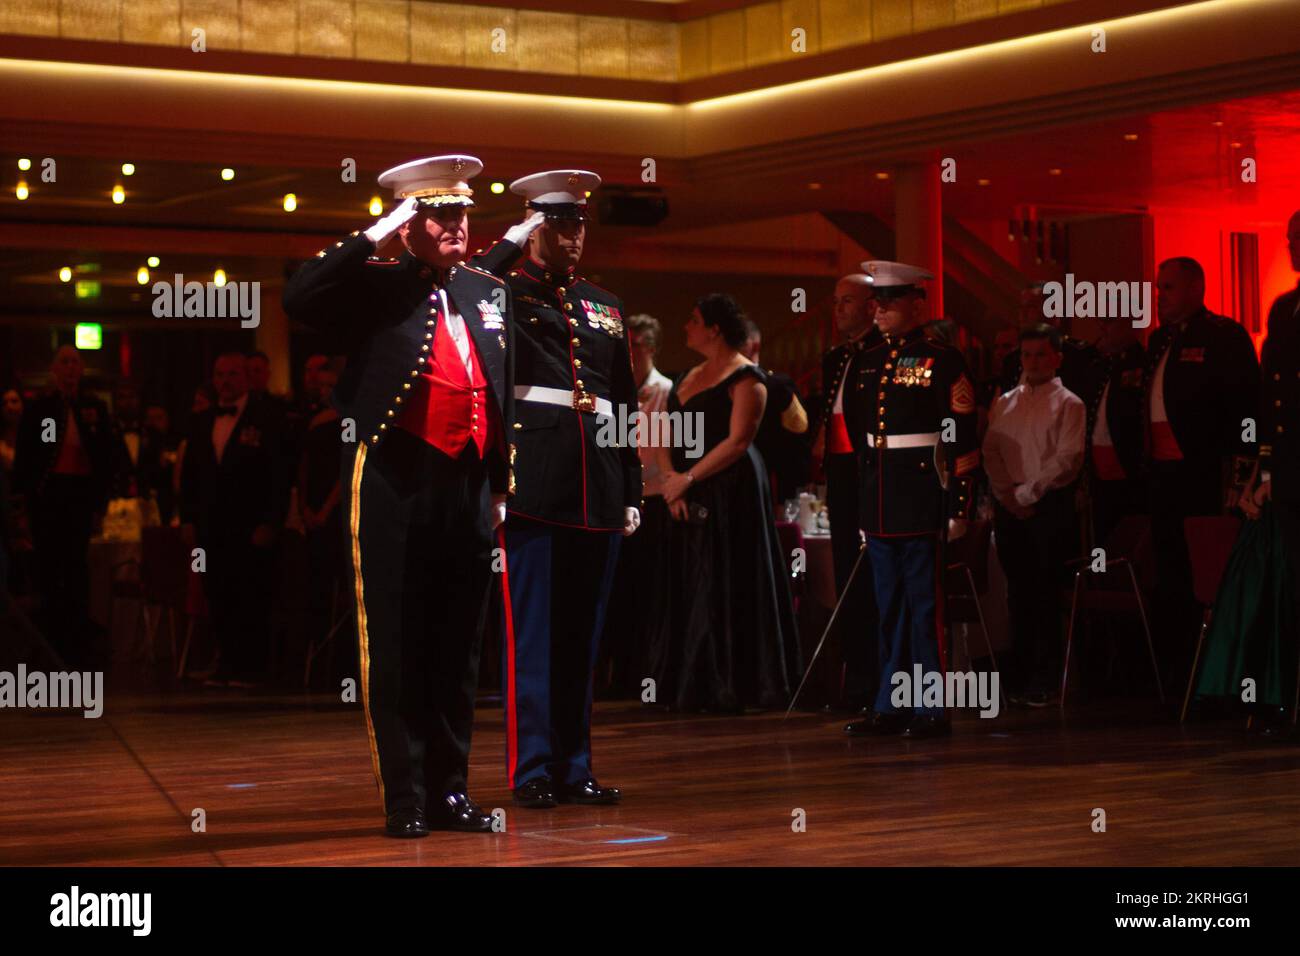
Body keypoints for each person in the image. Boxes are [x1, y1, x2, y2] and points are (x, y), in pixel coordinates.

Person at [282, 155, 511, 837]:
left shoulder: (484, 288)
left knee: (459, 644)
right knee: (395, 640)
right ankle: (406, 797)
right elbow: (300, 297)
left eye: (461, 211)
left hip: (468, 479)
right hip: (394, 471)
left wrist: (501, 481)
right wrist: (374, 235)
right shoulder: (377, 284)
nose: (455, 224)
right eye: (437, 214)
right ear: (408, 223)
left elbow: (501, 383)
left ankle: (450, 793)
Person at [473, 169, 640, 809]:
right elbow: (466, 286)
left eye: (578, 226)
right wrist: (510, 243)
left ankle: (576, 766)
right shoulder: (503, 290)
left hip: (598, 482)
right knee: (533, 637)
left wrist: (630, 487)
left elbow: (621, 399)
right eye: (558, 226)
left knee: (581, 638)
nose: (572, 238)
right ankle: (533, 769)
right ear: (534, 226)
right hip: (535, 479)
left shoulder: (605, 304)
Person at [841, 261, 979, 739]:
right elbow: (862, 439)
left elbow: (960, 434)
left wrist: (959, 504)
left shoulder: (942, 359)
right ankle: (891, 703)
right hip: (881, 497)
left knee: (924, 608)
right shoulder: (867, 359)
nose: (880, 310)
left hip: (922, 495)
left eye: (891, 301)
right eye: (876, 302)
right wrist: (863, 505)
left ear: (918, 304)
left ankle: (931, 706)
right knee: (889, 606)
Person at [654, 293, 801, 712]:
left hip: (729, 487)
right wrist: (670, 481)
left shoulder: (748, 378)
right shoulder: (687, 376)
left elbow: (738, 442)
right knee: (691, 579)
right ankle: (691, 680)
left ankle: (730, 683)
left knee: (724, 577)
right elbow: (666, 432)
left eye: (694, 320)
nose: (686, 327)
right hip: (685, 485)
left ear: (714, 329)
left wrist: (687, 479)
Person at [1145, 256, 1259, 687]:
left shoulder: (1223, 336)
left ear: (1196, 288)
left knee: (1208, 574)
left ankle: (1218, 674)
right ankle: (1176, 672)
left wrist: (1240, 476)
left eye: (1169, 287)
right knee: (1170, 574)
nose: (1160, 296)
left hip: (1205, 474)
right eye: (1158, 288)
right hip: (1163, 478)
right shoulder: (1158, 341)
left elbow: (1247, 409)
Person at [983, 325, 1086, 706]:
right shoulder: (1005, 402)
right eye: (1027, 355)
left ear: (1057, 357)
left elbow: (1068, 459)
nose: (1033, 362)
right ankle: (1019, 674)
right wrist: (1006, 496)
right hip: (1010, 506)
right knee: (1017, 592)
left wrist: (1027, 494)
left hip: (1049, 506)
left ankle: (1046, 678)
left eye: (1041, 354)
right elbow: (991, 450)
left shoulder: (1070, 403)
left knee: (1045, 592)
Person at [179, 352, 287, 688]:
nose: (225, 381)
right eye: (220, 375)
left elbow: (279, 475)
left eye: (232, 374)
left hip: (250, 524)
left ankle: (252, 668)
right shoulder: (201, 421)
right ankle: (226, 663)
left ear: (246, 378)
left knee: (251, 595)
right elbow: (190, 475)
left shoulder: (267, 418)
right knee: (217, 593)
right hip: (211, 525)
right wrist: (187, 518)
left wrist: (271, 521)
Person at [13, 346, 118, 666]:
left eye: (75, 362)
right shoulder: (40, 408)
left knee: (76, 569)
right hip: (49, 495)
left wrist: (100, 502)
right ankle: (49, 643)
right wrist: (24, 504)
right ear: (54, 370)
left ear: (82, 370)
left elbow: (106, 457)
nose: (71, 368)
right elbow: (27, 457)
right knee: (48, 568)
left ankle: (77, 642)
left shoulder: (94, 407)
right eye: (65, 362)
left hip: (80, 495)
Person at [1237, 208, 1300, 733]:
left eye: (1299, 238)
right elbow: (1270, 398)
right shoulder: (1283, 308)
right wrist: (1261, 473)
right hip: (1290, 473)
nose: (1292, 247)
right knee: (1291, 586)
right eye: (1290, 238)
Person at [816, 273, 882, 711]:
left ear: (872, 306)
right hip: (841, 478)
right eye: (836, 301)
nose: (838, 309)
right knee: (847, 581)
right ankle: (856, 682)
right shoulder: (836, 357)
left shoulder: (882, 354)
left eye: (847, 301)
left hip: (871, 477)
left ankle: (876, 684)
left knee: (872, 582)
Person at [598, 313, 672, 698]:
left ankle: (637, 676)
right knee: (615, 592)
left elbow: (661, 450)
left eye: (637, 344)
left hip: (652, 499)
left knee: (643, 593)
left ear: (652, 348)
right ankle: (609, 675)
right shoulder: (613, 387)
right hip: (617, 499)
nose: (629, 351)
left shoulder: (665, 390)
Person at [1085, 315, 1148, 545]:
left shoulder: (1145, 364)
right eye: (1100, 321)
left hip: (1132, 477)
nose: (1102, 326)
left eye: (1109, 320)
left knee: (1130, 544)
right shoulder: (1098, 366)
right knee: (1101, 543)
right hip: (1098, 477)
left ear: (1131, 323)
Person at [741, 320, 810, 502]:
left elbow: (796, 444)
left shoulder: (777, 387)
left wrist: (785, 496)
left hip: (766, 483)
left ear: (754, 345)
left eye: (738, 342)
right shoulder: (716, 388)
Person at [999, 282, 1099, 400]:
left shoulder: (1077, 357)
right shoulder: (1011, 360)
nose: (1023, 314)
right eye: (1021, 307)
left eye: (1031, 307)